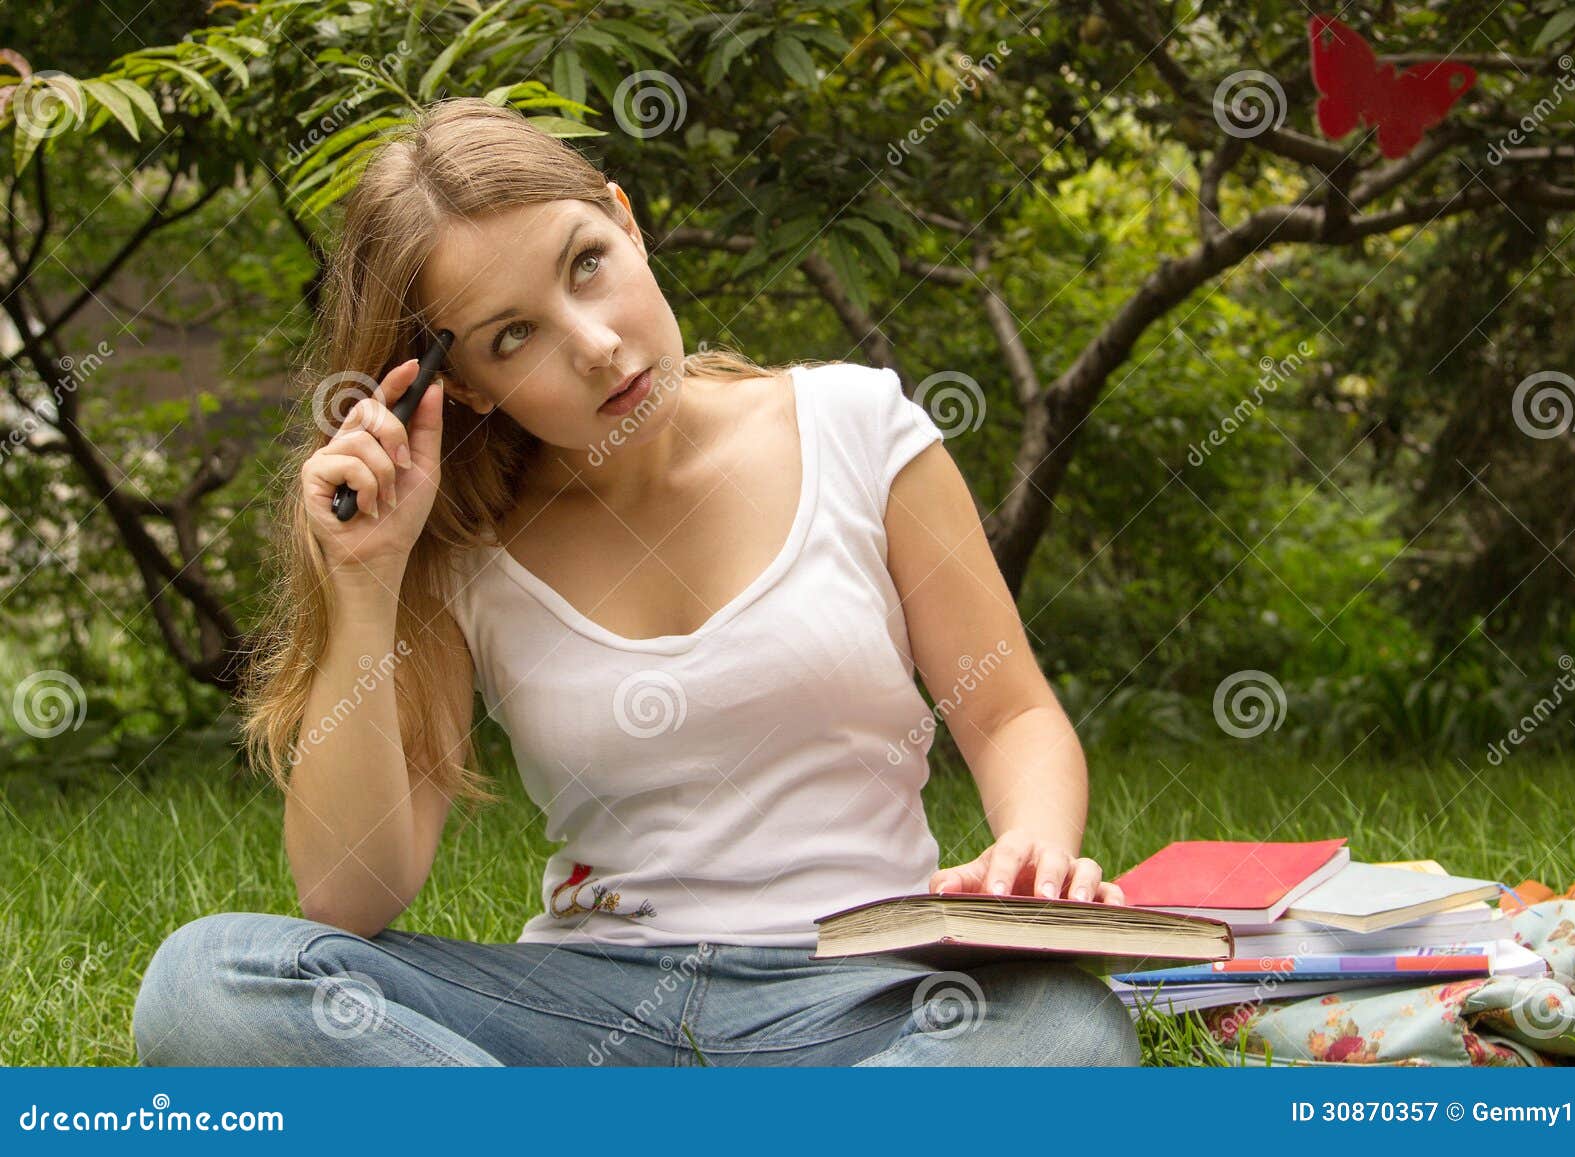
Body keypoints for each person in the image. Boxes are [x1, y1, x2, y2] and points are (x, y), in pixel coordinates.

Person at [130, 97, 1139, 1067]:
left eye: (587, 264)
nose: (596, 343)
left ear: (626, 219)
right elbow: (348, 898)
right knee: (207, 978)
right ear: (468, 382)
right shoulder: (460, 543)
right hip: (586, 1010)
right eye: (513, 334)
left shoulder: (854, 425)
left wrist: (1031, 859)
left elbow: (1008, 714)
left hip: (864, 991)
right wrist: (363, 583)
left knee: (1062, 1030)